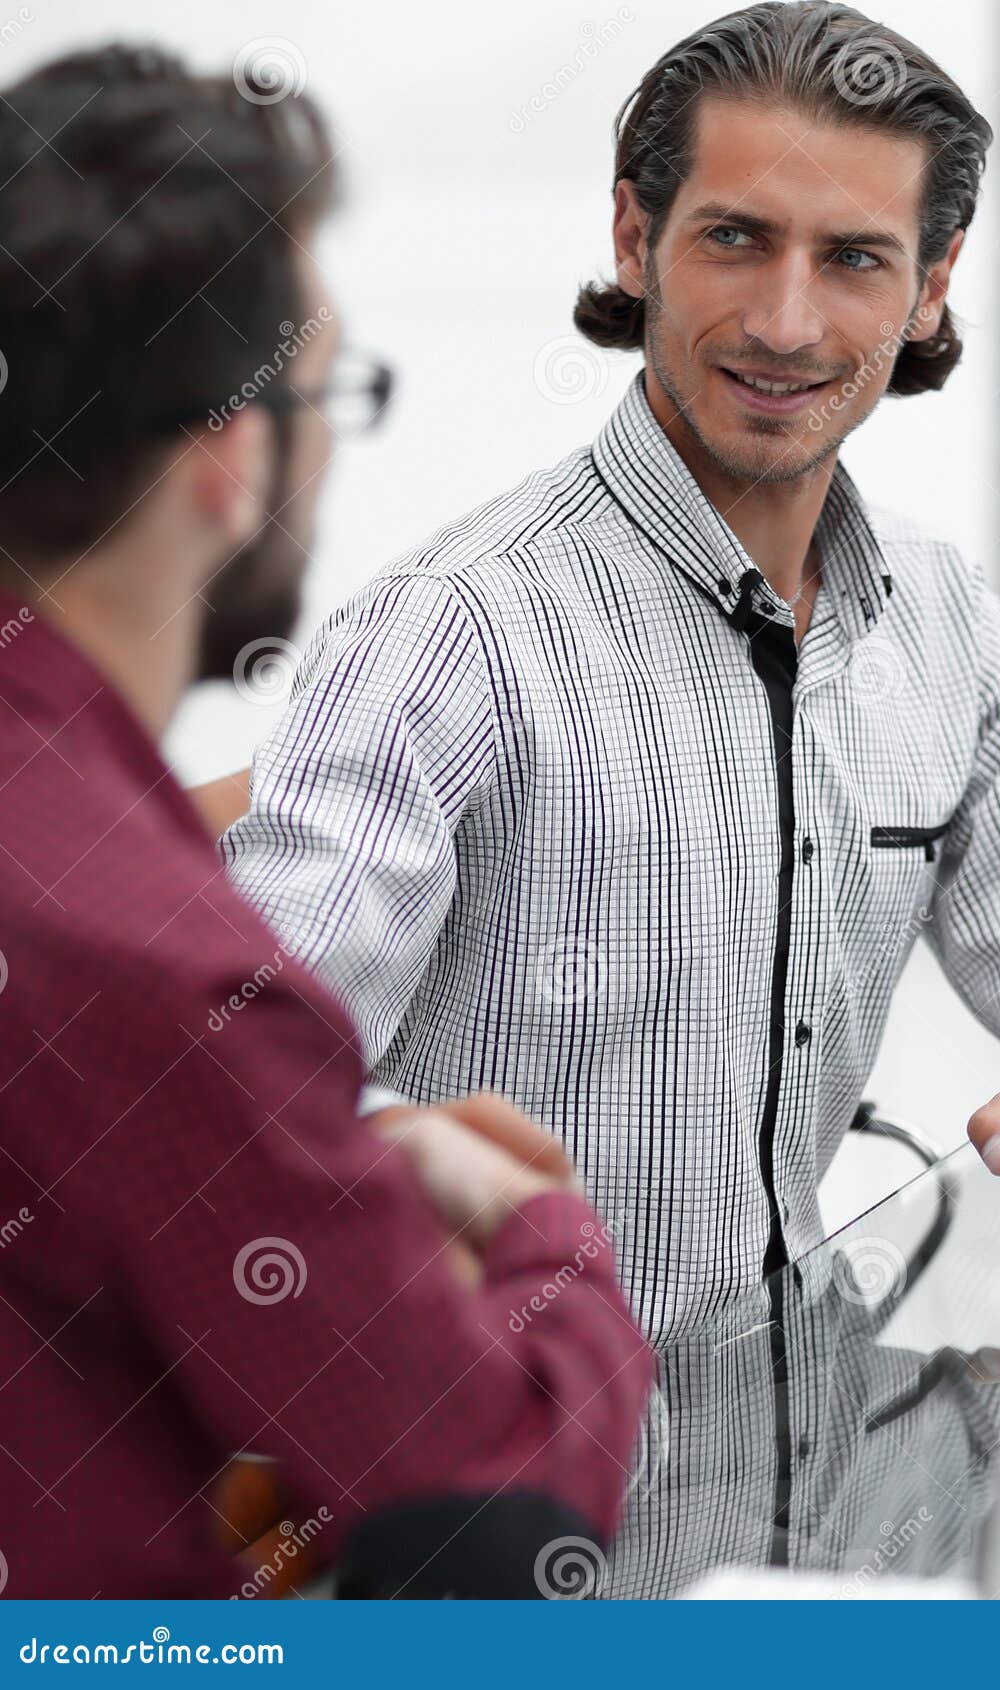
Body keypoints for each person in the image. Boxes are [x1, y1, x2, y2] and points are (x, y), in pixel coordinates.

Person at [213, 0, 1000, 1588]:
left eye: (853, 259)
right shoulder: (455, 633)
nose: (785, 320)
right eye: (733, 239)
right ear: (634, 238)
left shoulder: (947, 634)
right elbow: (237, 1096)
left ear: (930, 285)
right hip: (509, 1537)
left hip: (805, 1521)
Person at [0, 45, 652, 1599]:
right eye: (324, 395)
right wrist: (536, 1226)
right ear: (232, 453)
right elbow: (495, 1528)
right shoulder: (154, 964)